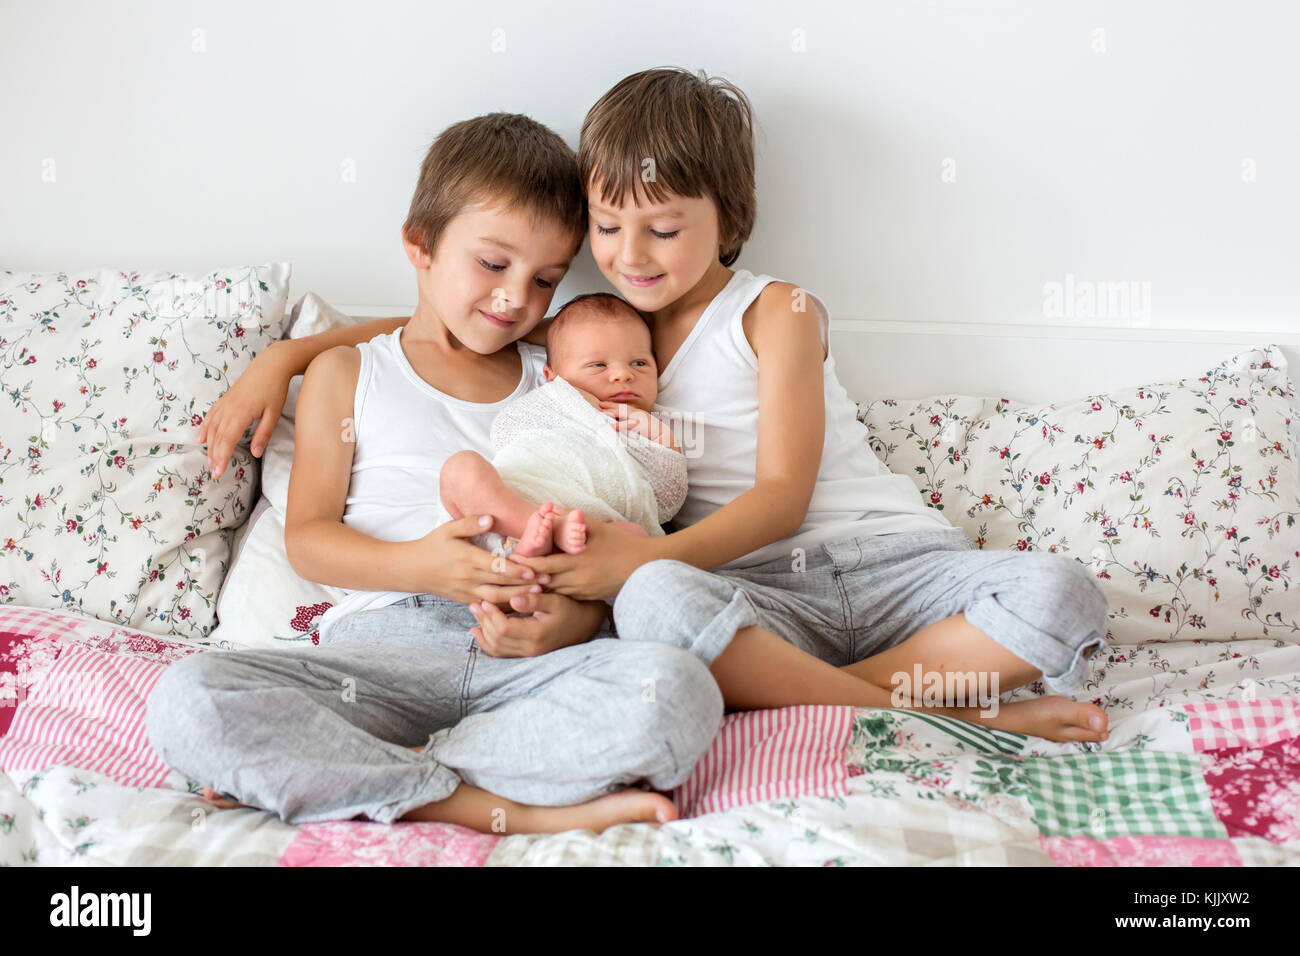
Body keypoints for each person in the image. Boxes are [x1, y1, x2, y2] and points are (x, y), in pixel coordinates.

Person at [203, 69, 1112, 745]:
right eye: (607, 228)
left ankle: (828, 697)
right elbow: (441, 325)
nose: (632, 254)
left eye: (665, 229)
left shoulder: (774, 310)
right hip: (751, 590)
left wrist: (641, 561)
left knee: (1061, 594)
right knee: (659, 610)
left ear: (731, 214)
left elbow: (782, 494)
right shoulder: (587, 340)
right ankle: (921, 706)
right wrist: (288, 353)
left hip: (889, 560)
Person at [144, 113, 723, 834]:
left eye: (545, 280)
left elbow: (609, 513)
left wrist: (571, 621)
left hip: (530, 656)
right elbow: (310, 541)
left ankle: (373, 768)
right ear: (420, 245)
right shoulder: (347, 371)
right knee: (189, 699)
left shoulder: (566, 368)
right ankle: (497, 805)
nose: (515, 298)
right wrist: (425, 566)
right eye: (492, 264)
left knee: (679, 693)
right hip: (384, 653)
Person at [438, 291, 686, 559]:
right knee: (460, 468)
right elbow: (505, 434)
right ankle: (541, 531)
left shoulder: (645, 432)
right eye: (598, 365)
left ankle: (538, 548)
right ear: (553, 379)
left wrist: (662, 437)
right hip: (510, 509)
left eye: (640, 363)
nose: (623, 374)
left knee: (638, 538)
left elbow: (666, 501)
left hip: (585, 534)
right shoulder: (550, 404)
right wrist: (580, 405)